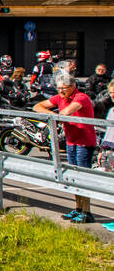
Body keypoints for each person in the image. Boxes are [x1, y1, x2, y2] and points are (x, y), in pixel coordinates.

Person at [36, 70, 99, 223]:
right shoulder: (60, 97)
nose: (61, 91)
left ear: (73, 86)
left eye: (64, 88)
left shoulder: (81, 97)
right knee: (74, 178)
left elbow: (66, 112)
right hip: (71, 141)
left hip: (84, 142)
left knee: (82, 176)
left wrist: (55, 115)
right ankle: (78, 208)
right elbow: (38, 106)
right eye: (58, 88)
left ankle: (87, 211)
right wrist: (51, 113)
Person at [99, 82, 114, 174]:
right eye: (111, 92)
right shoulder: (111, 110)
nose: (112, 95)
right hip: (108, 149)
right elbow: (108, 132)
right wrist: (102, 151)